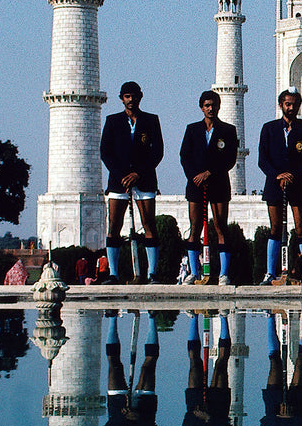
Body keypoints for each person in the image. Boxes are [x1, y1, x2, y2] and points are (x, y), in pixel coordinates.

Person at [99, 81, 165, 284]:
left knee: (148, 224)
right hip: (119, 181)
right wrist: (121, 175)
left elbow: (157, 152)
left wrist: (138, 173)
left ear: (140, 96)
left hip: (144, 179)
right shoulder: (112, 121)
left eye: (134, 96)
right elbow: (106, 152)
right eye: (127, 96)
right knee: (114, 225)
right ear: (122, 98)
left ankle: (152, 273)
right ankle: (113, 274)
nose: (131, 100)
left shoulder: (151, 120)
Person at [257, 90, 302, 285]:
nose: (290, 108)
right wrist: (277, 175)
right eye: (287, 104)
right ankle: (270, 273)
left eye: (293, 104)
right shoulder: (269, 128)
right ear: (280, 105)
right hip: (275, 184)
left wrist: (293, 175)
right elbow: (262, 159)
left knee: (301, 229)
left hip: (299, 184)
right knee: (275, 228)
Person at [179, 90, 239, 285]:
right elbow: (185, 156)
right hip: (196, 184)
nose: (210, 108)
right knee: (195, 227)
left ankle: (223, 273)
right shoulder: (192, 129)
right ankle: (194, 272)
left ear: (219, 106)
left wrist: (210, 172)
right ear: (201, 107)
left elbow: (229, 159)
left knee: (220, 226)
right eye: (207, 105)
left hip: (219, 183)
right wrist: (195, 176)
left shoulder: (228, 130)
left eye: (213, 105)